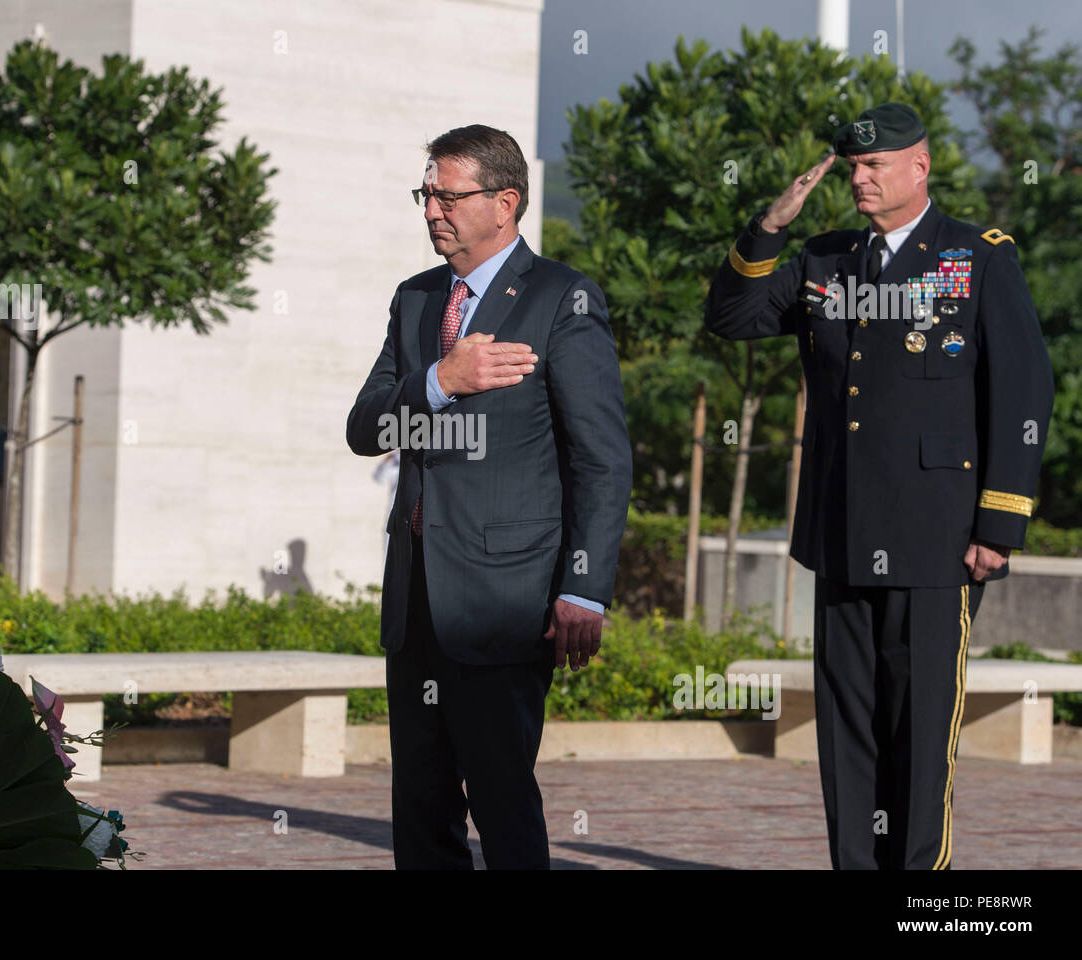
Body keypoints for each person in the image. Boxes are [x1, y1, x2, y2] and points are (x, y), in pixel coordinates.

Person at [703, 103, 1054, 869]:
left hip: (939, 536)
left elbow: (1024, 390)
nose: (859, 178)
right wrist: (771, 225)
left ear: (919, 167)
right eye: (853, 167)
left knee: (920, 731)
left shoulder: (976, 257)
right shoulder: (826, 260)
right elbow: (731, 318)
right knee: (848, 731)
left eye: (875, 166)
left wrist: (999, 523)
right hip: (844, 528)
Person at [346, 124, 632, 869]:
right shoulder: (415, 302)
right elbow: (365, 428)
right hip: (416, 599)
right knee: (421, 805)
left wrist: (585, 588)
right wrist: (442, 381)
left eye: (449, 195)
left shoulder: (561, 300)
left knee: (502, 802)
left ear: (505, 203)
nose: (433, 209)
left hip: (506, 595)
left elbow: (600, 459)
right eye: (427, 194)